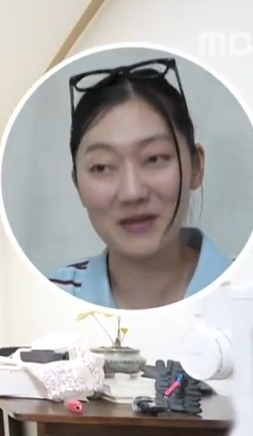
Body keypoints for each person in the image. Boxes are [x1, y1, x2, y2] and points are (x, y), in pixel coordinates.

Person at [46, 57, 231, 310]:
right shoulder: (47, 297)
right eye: (102, 167)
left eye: (154, 158)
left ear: (196, 166)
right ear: (77, 183)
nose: (132, 193)